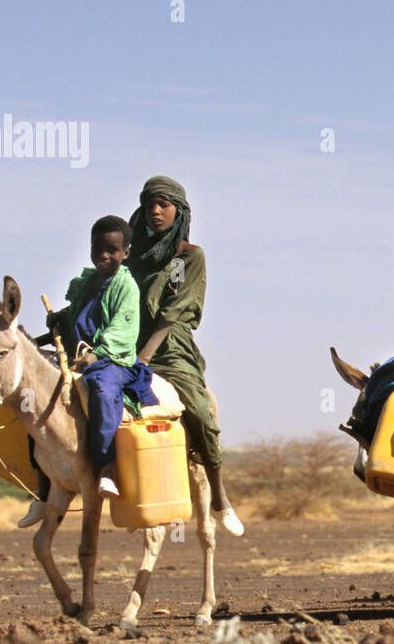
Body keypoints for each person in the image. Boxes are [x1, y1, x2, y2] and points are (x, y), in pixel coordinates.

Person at [19, 215, 158, 528]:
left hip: (112, 361)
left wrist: (95, 354)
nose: (104, 255)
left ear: (125, 252)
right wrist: (58, 321)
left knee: (102, 389)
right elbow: (77, 318)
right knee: (35, 396)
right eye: (98, 248)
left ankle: (107, 466)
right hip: (76, 357)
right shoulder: (85, 284)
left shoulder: (126, 287)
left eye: (112, 250)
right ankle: (43, 490)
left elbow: (121, 329)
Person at [127, 176, 243, 537]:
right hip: (127, 342)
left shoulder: (188, 257)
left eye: (163, 204)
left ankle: (219, 496)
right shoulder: (131, 258)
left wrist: (145, 357)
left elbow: (174, 310)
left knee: (200, 411)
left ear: (179, 210)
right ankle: (50, 489)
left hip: (169, 347)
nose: (155, 211)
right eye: (149, 205)